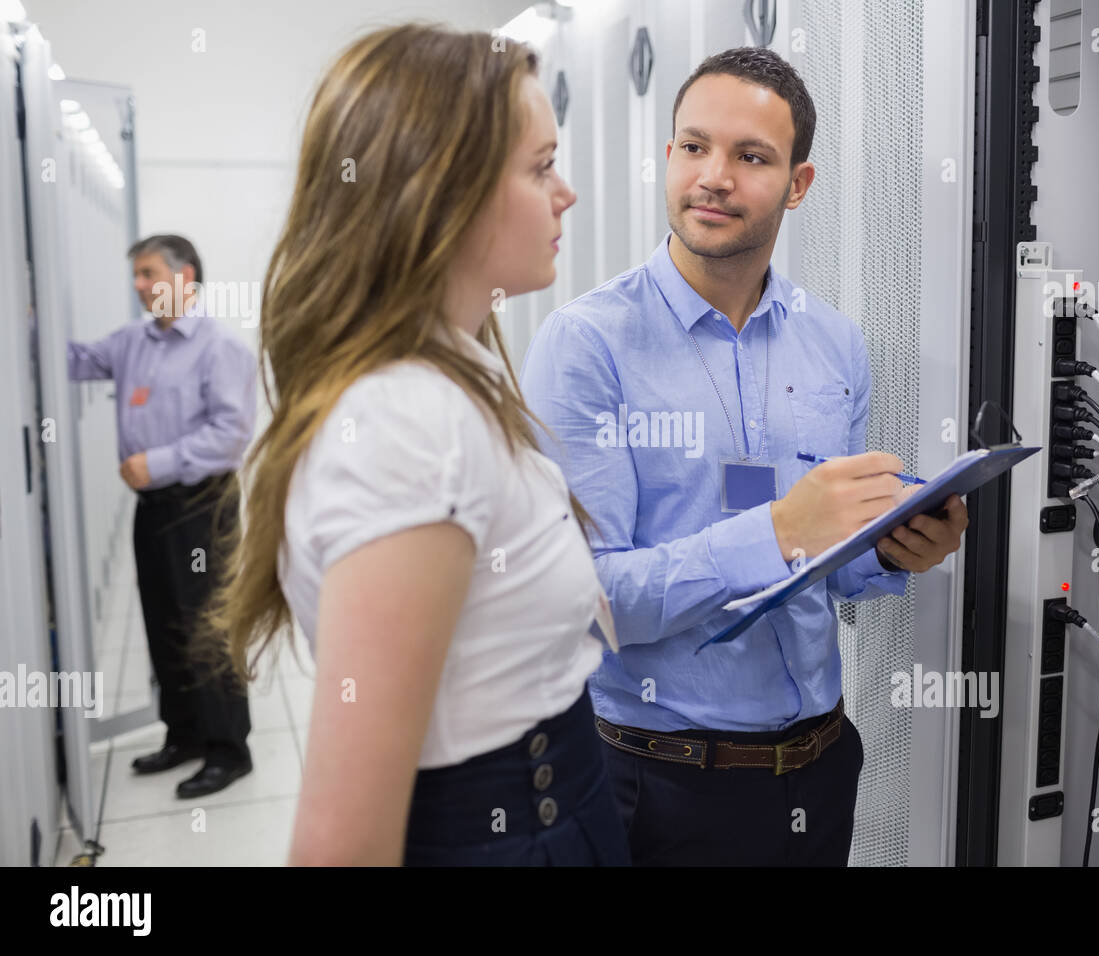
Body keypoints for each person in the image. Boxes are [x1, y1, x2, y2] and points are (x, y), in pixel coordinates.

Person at [520, 47, 970, 866]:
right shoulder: (588, 346)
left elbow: (824, 569)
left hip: (820, 766)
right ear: (668, 158)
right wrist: (778, 529)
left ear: (798, 185)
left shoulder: (833, 343)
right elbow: (586, 602)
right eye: (694, 147)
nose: (714, 176)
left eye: (751, 156)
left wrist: (896, 551)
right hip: (660, 785)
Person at [202, 24, 629, 867]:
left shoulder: (455, 372)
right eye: (541, 167)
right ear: (445, 194)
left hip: (558, 807)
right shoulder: (406, 425)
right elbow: (340, 845)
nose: (566, 192)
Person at [67, 233, 257, 798]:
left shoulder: (221, 347)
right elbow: (75, 361)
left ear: (185, 276)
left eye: (148, 273)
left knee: (208, 623)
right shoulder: (132, 342)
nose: (139, 285)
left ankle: (229, 748)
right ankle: (185, 734)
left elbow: (231, 434)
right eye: (137, 275)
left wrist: (159, 461)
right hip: (152, 506)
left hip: (202, 504)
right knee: (162, 619)